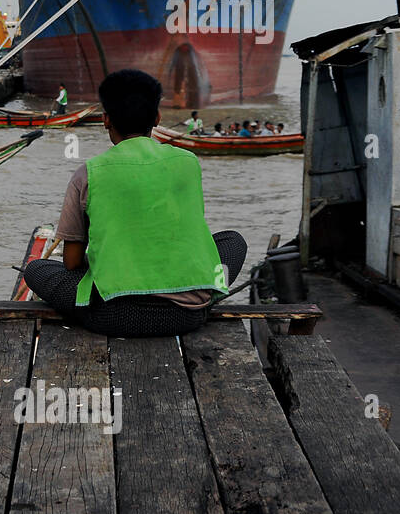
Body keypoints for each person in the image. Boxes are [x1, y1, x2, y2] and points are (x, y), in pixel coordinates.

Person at [23, 69, 247, 338]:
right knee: (233, 241)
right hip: (187, 314)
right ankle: (208, 296)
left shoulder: (89, 172)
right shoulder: (189, 162)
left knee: (36, 269)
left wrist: (108, 260)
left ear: (105, 120)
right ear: (157, 117)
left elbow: (71, 262)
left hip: (112, 315)